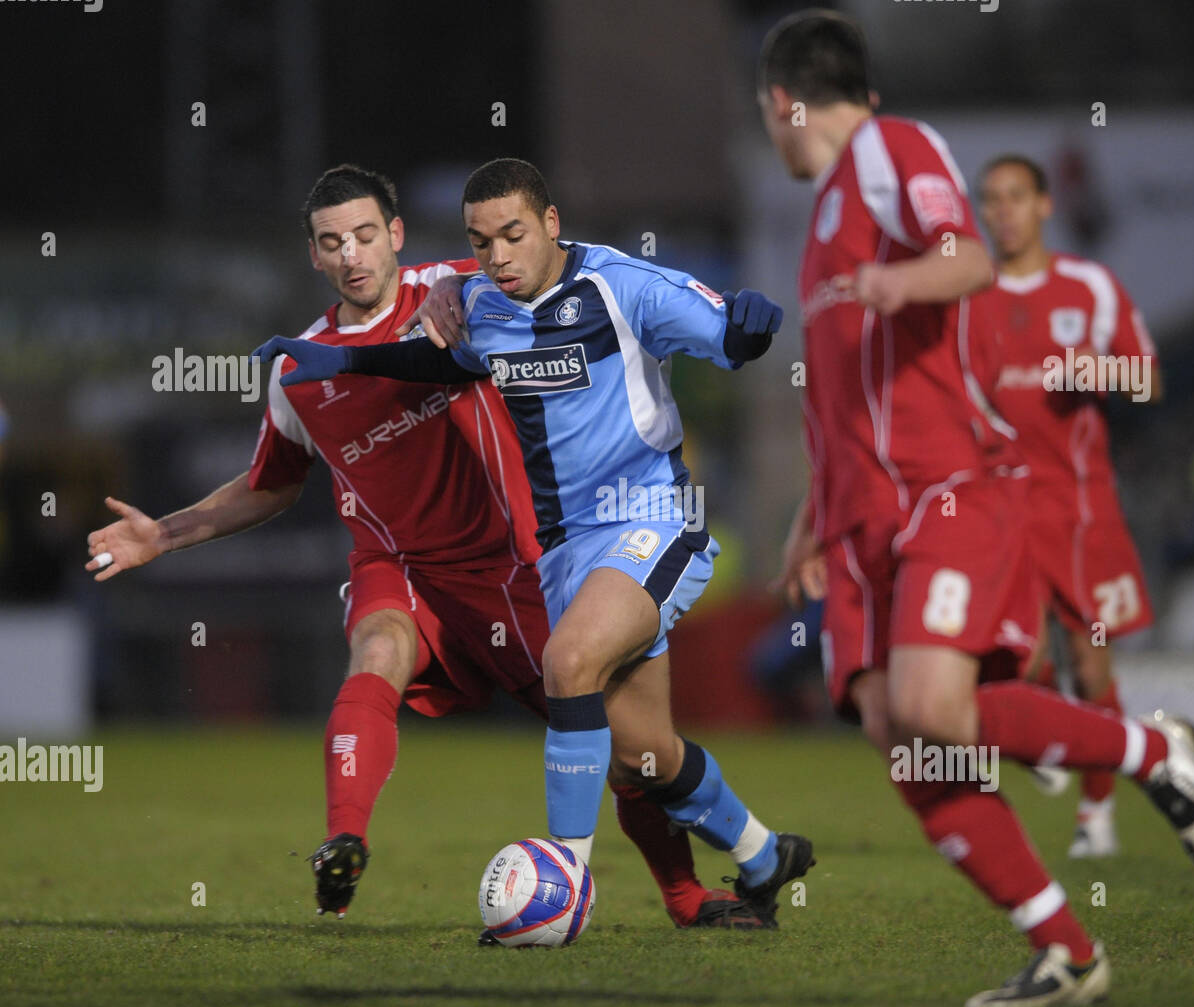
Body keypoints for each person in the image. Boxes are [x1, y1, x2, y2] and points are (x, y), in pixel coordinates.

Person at [85, 164, 762, 932]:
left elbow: (551, 254)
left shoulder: (465, 288)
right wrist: (163, 534)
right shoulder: (299, 368)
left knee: (633, 752)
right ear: (314, 255)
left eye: (366, 236)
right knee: (376, 647)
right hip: (404, 567)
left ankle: (694, 893)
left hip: (524, 563)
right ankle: (344, 841)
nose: (352, 255)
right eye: (332, 242)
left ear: (396, 237)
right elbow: (271, 485)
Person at [757, 9, 1194, 1007]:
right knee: (912, 737)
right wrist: (813, 512)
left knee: (936, 711)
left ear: (780, 102)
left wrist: (897, 277)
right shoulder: (824, 226)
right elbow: (853, 399)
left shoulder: (888, 147)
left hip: (943, 493)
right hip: (857, 520)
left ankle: (1149, 751)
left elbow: (963, 257)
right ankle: (1067, 950)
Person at [252, 157, 816, 927]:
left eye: (513, 235)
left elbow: (726, 333)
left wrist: (749, 325)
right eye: (481, 243)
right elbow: (436, 361)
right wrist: (342, 358)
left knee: (567, 664)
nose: (498, 257)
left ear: (551, 224)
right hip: (563, 549)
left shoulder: (624, 286)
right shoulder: (483, 304)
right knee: (642, 750)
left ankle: (564, 883)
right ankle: (762, 855)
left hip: (650, 517)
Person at [975, 153, 1162, 857]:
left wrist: (1099, 369)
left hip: (1080, 508)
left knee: (1093, 660)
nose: (1004, 212)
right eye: (991, 200)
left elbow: (1147, 379)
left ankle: (1097, 814)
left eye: (1016, 197)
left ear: (1045, 205)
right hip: (997, 505)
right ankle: (1043, 742)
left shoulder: (1089, 287)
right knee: (1002, 663)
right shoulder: (967, 294)